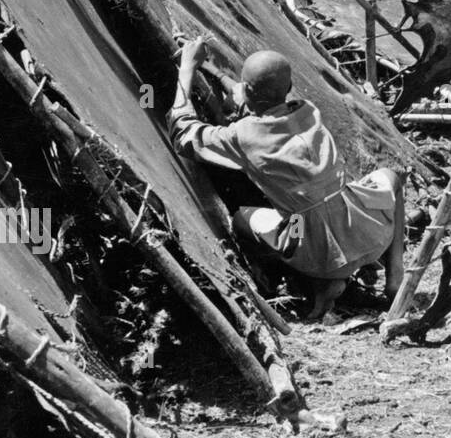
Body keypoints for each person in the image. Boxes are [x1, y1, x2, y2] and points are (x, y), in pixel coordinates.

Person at [169, 40, 405, 322]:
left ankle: (312, 283)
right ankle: (395, 274)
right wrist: (213, 70)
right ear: (290, 86)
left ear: (249, 92)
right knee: (392, 177)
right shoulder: (307, 112)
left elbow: (183, 133)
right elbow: (258, 99)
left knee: (242, 220)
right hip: (366, 228)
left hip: (312, 247)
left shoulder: (243, 136)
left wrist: (187, 67)